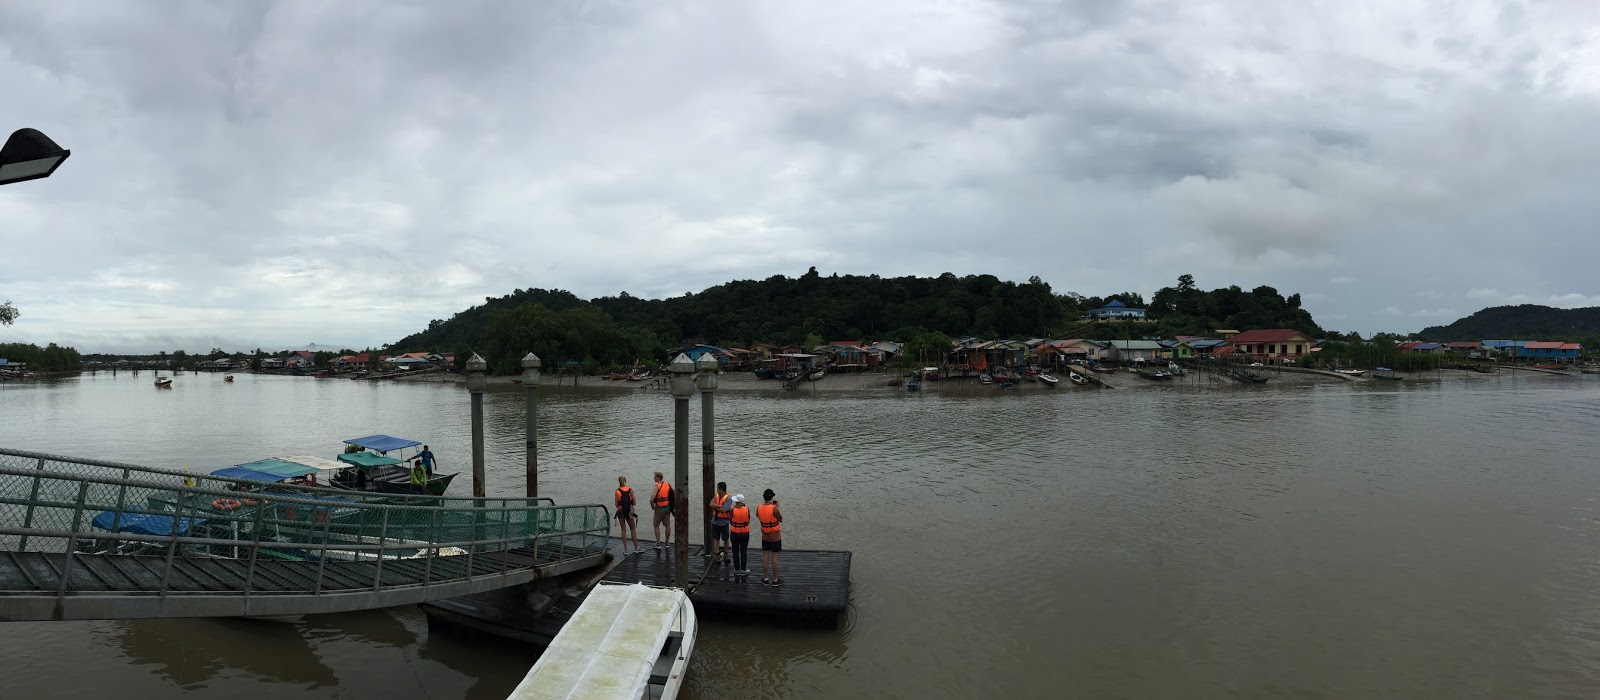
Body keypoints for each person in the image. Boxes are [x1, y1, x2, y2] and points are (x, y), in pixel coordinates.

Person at [758, 488, 784, 586]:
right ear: (772, 497)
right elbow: (780, 519)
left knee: (765, 555)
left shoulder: (759, 507)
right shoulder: (774, 508)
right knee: (775, 556)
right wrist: (776, 507)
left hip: (764, 535)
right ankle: (775, 580)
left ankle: (765, 578)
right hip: (775, 536)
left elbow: (759, 516)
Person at [728, 493, 751, 578]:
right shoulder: (747, 509)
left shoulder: (732, 510)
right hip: (745, 533)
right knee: (744, 551)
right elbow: (748, 519)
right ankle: (744, 569)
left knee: (735, 551)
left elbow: (730, 521)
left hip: (735, 533)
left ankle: (736, 569)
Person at [615, 475, 640, 553]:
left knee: (623, 529)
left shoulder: (617, 491)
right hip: (629, 512)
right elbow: (634, 503)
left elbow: (616, 504)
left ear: (619, 481)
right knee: (632, 529)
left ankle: (625, 550)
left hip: (621, 512)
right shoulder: (630, 490)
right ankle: (636, 547)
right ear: (625, 481)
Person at [709, 482, 732, 564]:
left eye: (718, 488)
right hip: (715, 521)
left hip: (724, 522)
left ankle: (726, 554)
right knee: (716, 538)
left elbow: (725, 510)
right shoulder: (716, 496)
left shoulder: (728, 498)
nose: (717, 490)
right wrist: (719, 506)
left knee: (725, 538)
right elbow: (711, 504)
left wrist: (715, 508)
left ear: (721, 489)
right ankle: (717, 555)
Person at [650, 471, 674, 550]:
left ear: (658, 477)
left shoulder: (657, 486)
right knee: (667, 525)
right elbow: (673, 494)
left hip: (659, 508)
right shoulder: (667, 484)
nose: (654, 478)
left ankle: (658, 543)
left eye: (655, 476)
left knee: (656, 525)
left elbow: (652, 499)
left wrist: (653, 506)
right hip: (667, 508)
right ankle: (667, 543)